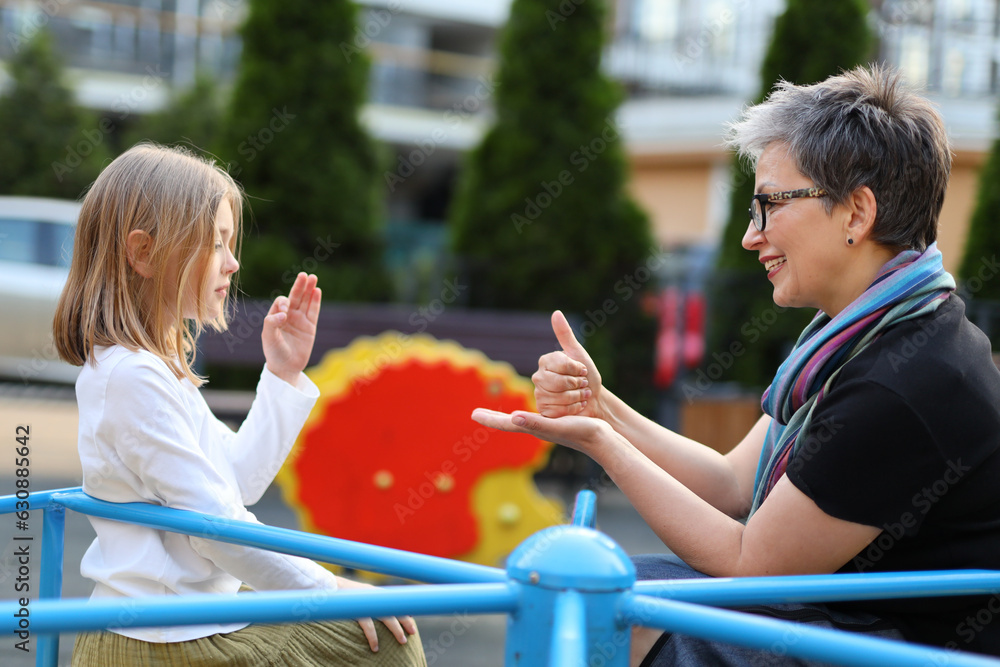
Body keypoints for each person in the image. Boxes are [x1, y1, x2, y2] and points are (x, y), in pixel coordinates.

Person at [473, 64, 1000, 664]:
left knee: (609, 605)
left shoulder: (907, 378)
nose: (752, 236)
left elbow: (751, 564)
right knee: (602, 590)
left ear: (857, 213)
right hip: (860, 615)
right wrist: (605, 410)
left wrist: (602, 443)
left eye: (770, 206)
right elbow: (731, 483)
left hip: (922, 651)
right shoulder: (862, 330)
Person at [53, 143, 426, 667]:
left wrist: (282, 373)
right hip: (159, 639)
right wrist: (329, 587)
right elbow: (215, 526)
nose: (234, 262)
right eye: (216, 243)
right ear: (143, 254)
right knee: (384, 643)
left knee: (387, 636)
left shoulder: (153, 369)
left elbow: (235, 484)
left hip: (188, 621)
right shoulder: (132, 376)